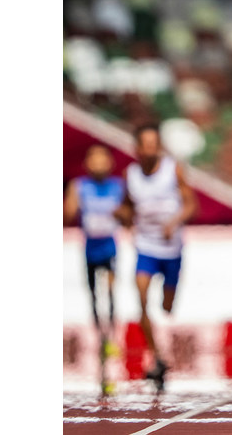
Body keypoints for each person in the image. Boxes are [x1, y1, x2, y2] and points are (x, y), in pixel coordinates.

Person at [114, 122, 198, 392]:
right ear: (137, 148)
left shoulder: (172, 170)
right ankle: (157, 356)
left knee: (166, 307)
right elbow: (127, 207)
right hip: (146, 246)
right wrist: (122, 217)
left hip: (171, 248)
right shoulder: (131, 175)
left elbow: (190, 204)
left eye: (154, 144)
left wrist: (174, 222)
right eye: (146, 145)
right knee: (141, 298)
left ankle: (168, 304)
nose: (151, 149)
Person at [63, 143, 124, 396]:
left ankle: (109, 337)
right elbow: (67, 214)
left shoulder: (118, 187)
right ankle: (99, 334)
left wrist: (123, 214)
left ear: (110, 163)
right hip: (89, 249)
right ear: (88, 164)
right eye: (94, 160)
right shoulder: (80, 186)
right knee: (93, 294)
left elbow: (129, 214)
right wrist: (72, 202)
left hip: (109, 248)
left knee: (109, 292)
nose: (99, 165)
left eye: (103, 160)